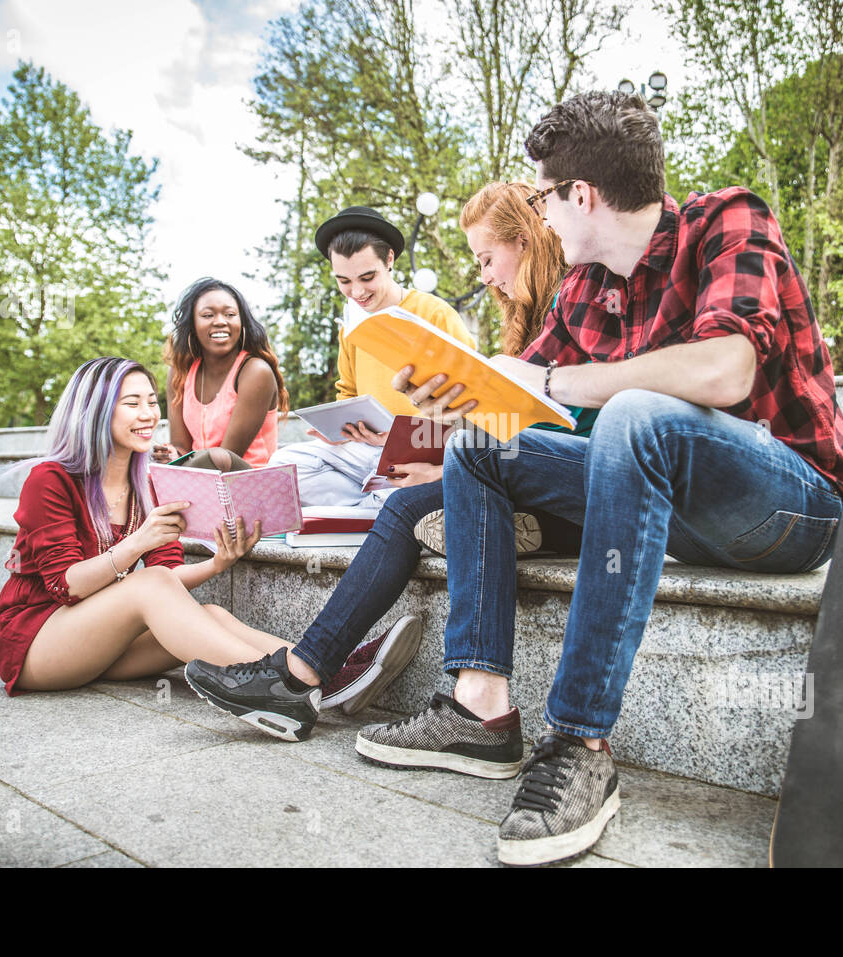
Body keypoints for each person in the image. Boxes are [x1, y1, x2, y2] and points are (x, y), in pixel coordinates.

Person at [357, 91, 843, 866]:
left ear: (581, 195)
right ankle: (480, 707)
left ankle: (582, 739)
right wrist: (457, 398)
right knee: (480, 452)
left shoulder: (729, 220)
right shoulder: (583, 289)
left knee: (634, 411)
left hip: (791, 504)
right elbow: (514, 398)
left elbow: (726, 368)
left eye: (544, 198)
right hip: (665, 503)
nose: (544, 218)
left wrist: (566, 385)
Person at [184, 182, 589, 727]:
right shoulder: (530, 320)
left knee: (419, 494)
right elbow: (495, 422)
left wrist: (449, 450)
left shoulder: (574, 305)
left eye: (488, 259)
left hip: (560, 473)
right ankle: (304, 676)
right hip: (469, 459)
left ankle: (308, 676)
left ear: (529, 241)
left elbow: (544, 427)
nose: (485, 276)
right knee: (358, 484)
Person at [0, 357, 317, 736]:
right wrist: (138, 540)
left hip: (99, 644)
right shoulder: (50, 479)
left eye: (151, 401)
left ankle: (322, 673)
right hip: (35, 645)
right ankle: (282, 689)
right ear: (95, 412)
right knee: (150, 583)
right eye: (132, 404)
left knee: (210, 612)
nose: (148, 414)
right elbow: (67, 585)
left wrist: (217, 563)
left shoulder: (148, 484)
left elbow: (169, 573)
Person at [265, 207, 474, 507]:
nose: (357, 292)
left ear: (389, 260)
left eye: (367, 277)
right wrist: (339, 429)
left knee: (397, 493)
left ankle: (375, 502)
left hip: (420, 451)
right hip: (362, 450)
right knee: (281, 466)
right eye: (344, 281)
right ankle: (372, 502)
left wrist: (400, 436)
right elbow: (347, 391)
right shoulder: (351, 324)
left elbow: (468, 402)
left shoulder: (435, 315)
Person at [152, 278, 288, 472]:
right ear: (192, 324)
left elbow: (225, 458)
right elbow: (181, 447)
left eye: (230, 314)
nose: (220, 322)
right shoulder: (180, 372)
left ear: (241, 323)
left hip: (248, 481)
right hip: (199, 480)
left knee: (216, 456)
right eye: (207, 315)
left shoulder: (256, 372)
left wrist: (181, 464)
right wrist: (171, 455)